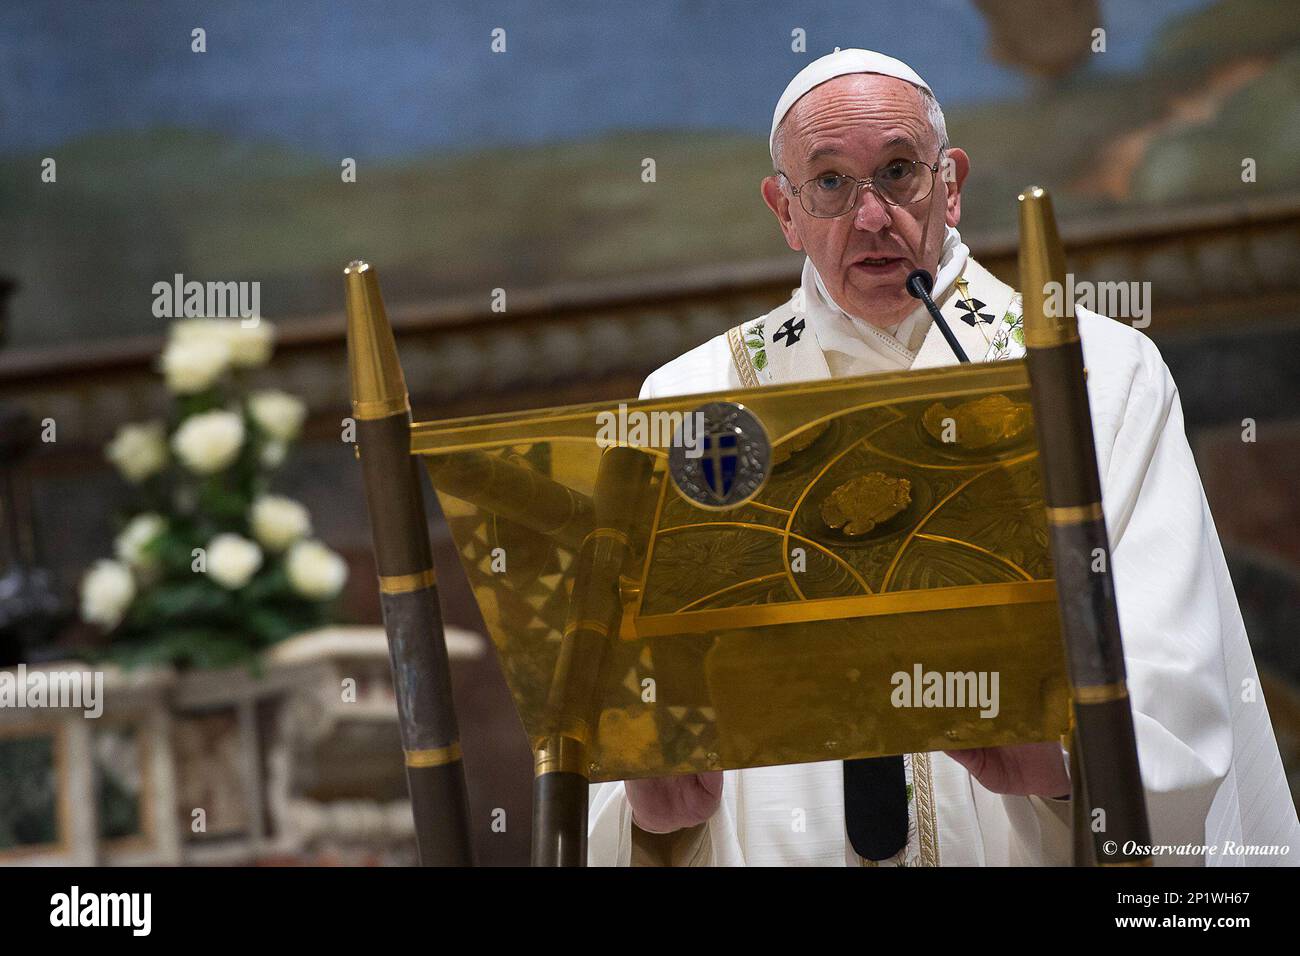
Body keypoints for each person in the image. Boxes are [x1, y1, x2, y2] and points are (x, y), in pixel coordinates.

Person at [586, 48, 1300, 866]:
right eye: (829, 182)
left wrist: (1059, 765)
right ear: (784, 210)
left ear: (951, 184)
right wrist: (658, 822)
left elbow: (1173, 677)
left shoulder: (1095, 375)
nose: (871, 216)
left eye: (898, 172)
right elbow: (639, 724)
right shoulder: (693, 403)